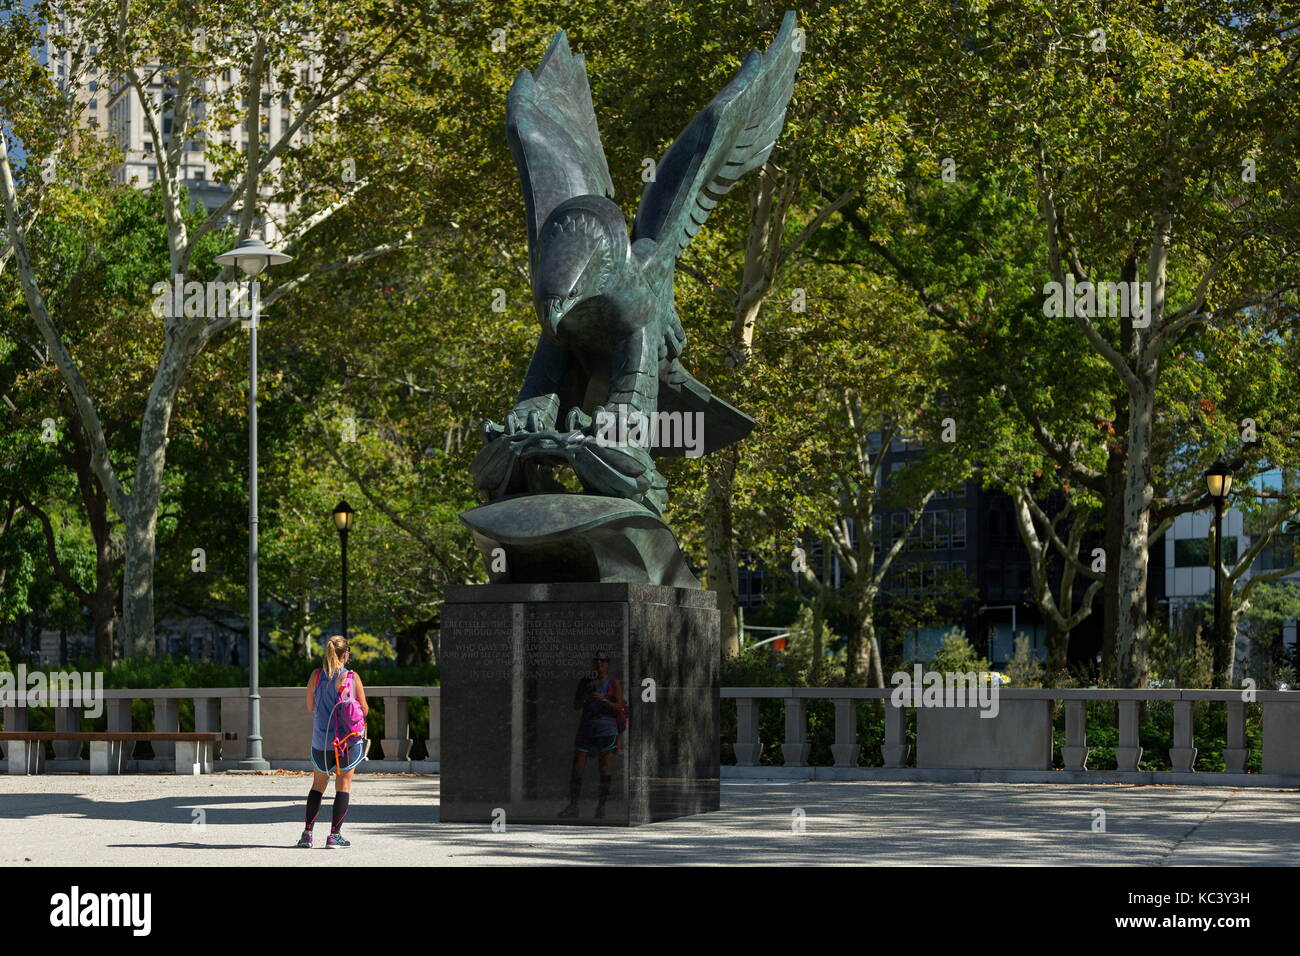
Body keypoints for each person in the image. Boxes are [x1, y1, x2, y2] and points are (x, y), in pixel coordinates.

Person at [296, 635, 369, 848]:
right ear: (346, 654)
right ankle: (334, 836)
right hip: (346, 741)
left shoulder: (316, 676)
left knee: (317, 786)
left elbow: (310, 707)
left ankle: (307, 834)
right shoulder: (351, 677)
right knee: (343, 787)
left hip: (321, 740)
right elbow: (363, 709)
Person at [558, 651, 624, 819]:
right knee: (578, 768)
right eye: (596, 660)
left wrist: (602, 700)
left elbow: (619, 707)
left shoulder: (613, 682)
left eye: (603, 661)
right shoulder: (586, 681)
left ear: (607, 663)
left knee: (604, 768)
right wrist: (585, 697)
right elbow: (576, 705)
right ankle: (573, 805)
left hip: (606, 730)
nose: (599, 663)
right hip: (586, 729)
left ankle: (601, 807)